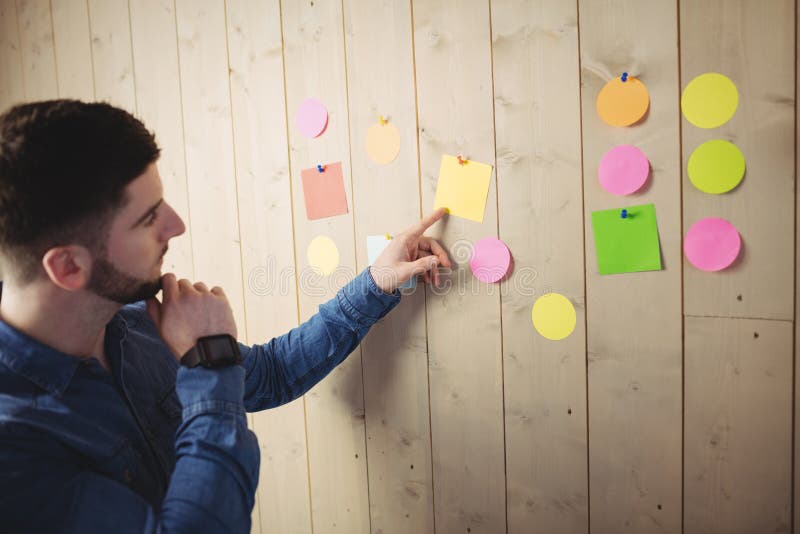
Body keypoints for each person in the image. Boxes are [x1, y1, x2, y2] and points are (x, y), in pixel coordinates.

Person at [0, 99, 451, 533]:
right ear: (68, 267)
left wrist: (375, 283)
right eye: (148, 217)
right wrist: (209, 363)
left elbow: (272, 373)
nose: (176, 225)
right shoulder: (14, 448)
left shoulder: (137, 321)